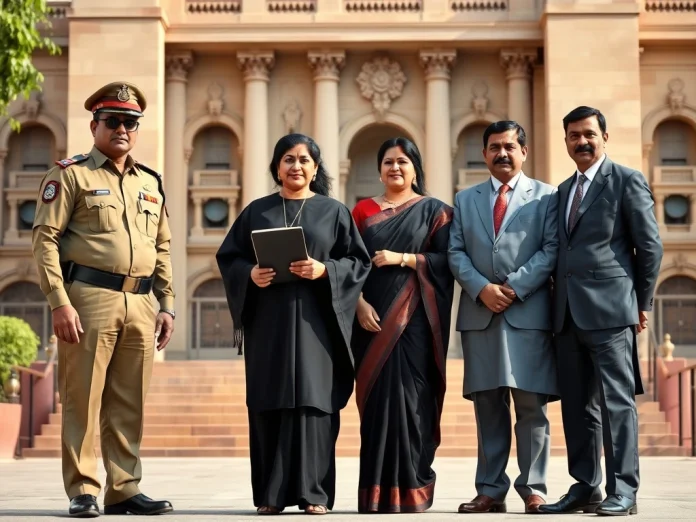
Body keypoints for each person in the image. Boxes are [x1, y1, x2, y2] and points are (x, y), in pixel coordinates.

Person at [31, 82, 175, 518]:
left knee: (129, 401)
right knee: (84, 397)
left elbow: (163, 246)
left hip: (140, 301)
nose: (122, 129)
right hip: (87, 297)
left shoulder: (150, 182)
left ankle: (125, 488)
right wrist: (59, 301)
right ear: (94, 125)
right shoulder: (71, 175)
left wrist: (166, 303)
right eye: (112, 121)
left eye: (130, 122)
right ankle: (83, 488)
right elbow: (45, 240)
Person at [215, 133, 371, 515]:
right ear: (276, 167)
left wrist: (324, 270)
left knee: (315, 405)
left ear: (315, 168)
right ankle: (271, 496)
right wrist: (249, 275)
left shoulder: (334, 212)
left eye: (304, 160)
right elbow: (229, 258)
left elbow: (358, 262)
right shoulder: (257, 211)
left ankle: (314, 494)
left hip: (318, 325)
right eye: (288, 159)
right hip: (269, 324)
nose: (296, 166)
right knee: (270, 400)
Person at [540, 107, 663, 516]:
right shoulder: (561, 191)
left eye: (589, 134)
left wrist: (640, 303)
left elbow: (649, 247)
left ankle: (624, 489)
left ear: (605, 137)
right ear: (566, 142)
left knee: (616, 404)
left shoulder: (627, 181)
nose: (582, 142)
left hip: (611, 312)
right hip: (567, 315)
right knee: (577, 406)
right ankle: (586, 485)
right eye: (574, 136)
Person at [447, 121, 560, 514]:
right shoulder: (465, 199)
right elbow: (455, 252)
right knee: (488, 407)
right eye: (494, 147)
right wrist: (481, 288)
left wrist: (512, 287)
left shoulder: (547, 196)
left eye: (510, 146)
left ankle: (534, 487)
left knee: (532, 407)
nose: (502, 153)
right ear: (484, 154)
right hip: (480, 316)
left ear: (524, 151)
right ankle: (490, 490)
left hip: (527, 314)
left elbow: (550, 250)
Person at [350, 137, 454, 513]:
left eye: (403, 161)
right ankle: (375, 495)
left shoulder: (436, 212)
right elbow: (349, 265)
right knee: (377, 408)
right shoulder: (361, 212)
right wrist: (358, 304)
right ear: (379, 168)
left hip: (416, 325)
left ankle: (412, 490)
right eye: (388, 161)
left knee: (413, 405)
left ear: (415, 169)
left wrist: (406, 258)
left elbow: (447, 263)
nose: (395, 167)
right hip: (370, 323)